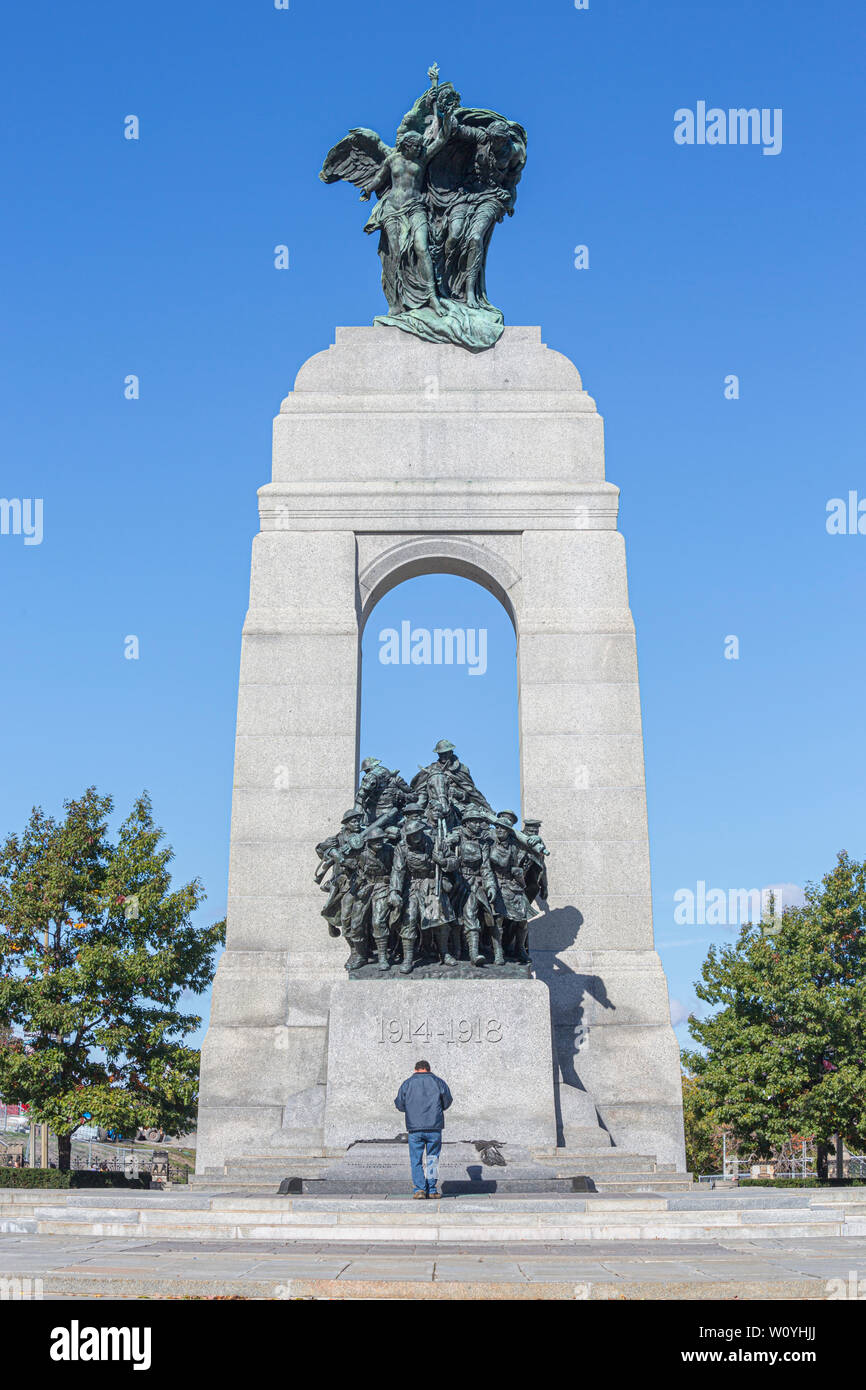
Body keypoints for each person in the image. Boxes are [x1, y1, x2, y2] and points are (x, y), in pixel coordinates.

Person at [394, 1060, 453, 1199]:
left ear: (415, 1070)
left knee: (416, 1160)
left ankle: (420, 1190)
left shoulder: (407, 1083)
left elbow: (399, 1104)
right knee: (432, 1159)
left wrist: (411, 1110)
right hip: (434, 1127)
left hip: (415, 1128)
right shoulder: (439, 1082)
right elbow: (447, 1101)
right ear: (429, 1069)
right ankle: (432, 1189)